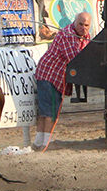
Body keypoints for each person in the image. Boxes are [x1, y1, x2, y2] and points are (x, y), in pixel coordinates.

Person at [32, 11, 92, 151]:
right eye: (80, 24)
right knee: (49, 112)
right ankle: (43, 144)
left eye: (86, 25)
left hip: (56, 76)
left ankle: (39, 142)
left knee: (47, 110)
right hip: (50, 74)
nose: (83, 28)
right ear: (74, 22)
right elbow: (75, 58)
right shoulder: (67, 34)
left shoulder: (85, 36)